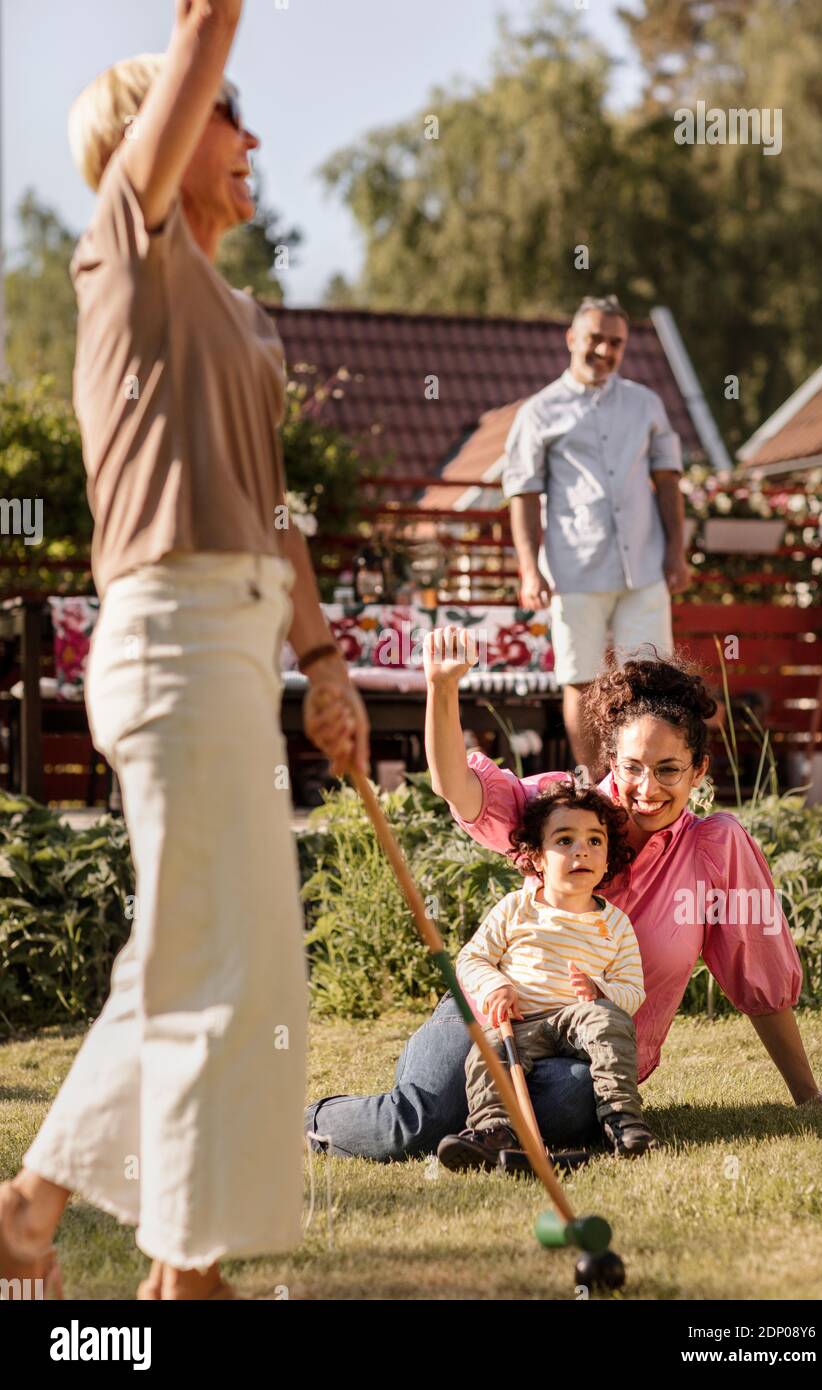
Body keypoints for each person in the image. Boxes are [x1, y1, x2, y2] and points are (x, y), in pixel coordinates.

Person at [0, 0, 368, 1302]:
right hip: (165, 633)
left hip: (237, 634)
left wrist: (323, 662)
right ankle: (181, 1271)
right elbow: (204, 22)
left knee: (212, 949)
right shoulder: (127, 244)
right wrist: (206, 34)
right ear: (152, 133)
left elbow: (277, 502)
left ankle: (43, 1213)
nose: (251, 132)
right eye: (226, 111)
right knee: (211, 957)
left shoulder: (241, 314)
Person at [304, 629, 822, 1162]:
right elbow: (460, 788)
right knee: (417, 1126)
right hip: (495, 1014)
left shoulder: (714, 849)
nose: (647, 790)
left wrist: (807, 1096)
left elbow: (757, 972)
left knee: (576, 1100)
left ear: (699, 769)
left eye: (668, 770)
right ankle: (304, 1120)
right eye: (632, 768)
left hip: (587, 1056)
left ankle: (486, 1129)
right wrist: (442, 688)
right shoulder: (564, 812)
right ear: (610, 763)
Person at [505, 294, 691, 776]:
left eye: (616, 342)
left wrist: (677, 552)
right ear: (572, 338)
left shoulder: (646, 404)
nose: (605, 350)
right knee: (581, 680)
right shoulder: (538, 412)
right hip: (575, 569)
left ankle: (646, 785)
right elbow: (522, 494)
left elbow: (668, 481)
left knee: (652, 681)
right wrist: (528, 568)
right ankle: (594, 790)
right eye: (595, 339)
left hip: (645, 566)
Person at [437, 779, 657, 1172]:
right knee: (488, 1052)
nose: (581, 851)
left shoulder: (615, 923)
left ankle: (622, 1118)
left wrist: (600, 990)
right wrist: (496, 986)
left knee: (608, 1020)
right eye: (565, 840)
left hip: (577, 1018)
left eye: (594, 841)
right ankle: (494, 1130)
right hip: (521, 1022)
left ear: (607, 857)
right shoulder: (516, 908)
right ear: (536, 857)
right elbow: (472, 958)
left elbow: (633, 989)